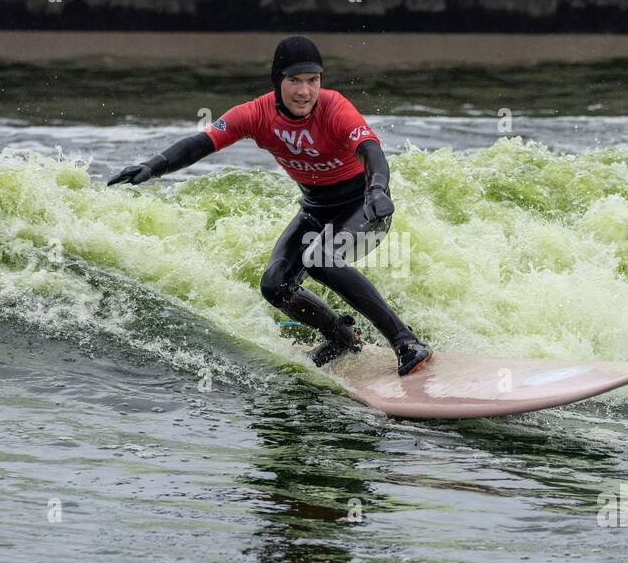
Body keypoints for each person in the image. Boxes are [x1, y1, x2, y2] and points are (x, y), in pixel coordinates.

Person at [107, 35, 433, 377]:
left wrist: (378, 189)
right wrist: (154, 165)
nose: (305, 91)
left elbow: (371, 152)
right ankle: (341, 337)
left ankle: (406, 341)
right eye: (294, 80)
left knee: (320, 260)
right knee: (274, 286)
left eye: (313, 80)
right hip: (315, 209)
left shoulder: (334, 107)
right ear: (278, 82)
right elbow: (202, 143)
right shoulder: (255, 114)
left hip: (365, 208)